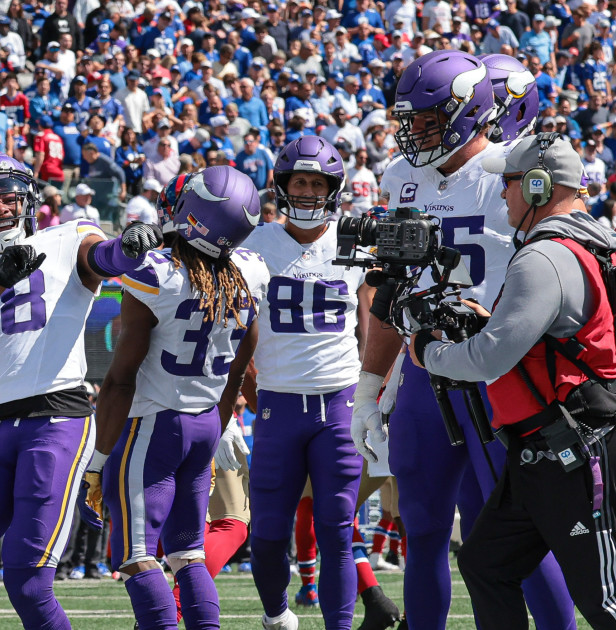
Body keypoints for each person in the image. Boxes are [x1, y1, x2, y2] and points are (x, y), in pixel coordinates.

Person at [354, 50, 577, 630]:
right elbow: (386, 284)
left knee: (520, 536)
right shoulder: (399, 176)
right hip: (426, 374)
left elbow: (565, 263)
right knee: (422, 526)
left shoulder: (520, 165)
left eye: (429, 118)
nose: (415, 131)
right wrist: (370, 380)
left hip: (503, 373)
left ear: (470, 110)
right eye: (411, 119)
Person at [0, 153, 162, 629]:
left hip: (56, 420)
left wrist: (128, 246)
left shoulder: (66, 235)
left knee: (27, 579)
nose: (3, 210)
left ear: (27, 200)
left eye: (9, 198)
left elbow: (103, 256)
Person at [414, 134, 616, 629]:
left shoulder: (543, 257)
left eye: (508, 183)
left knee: (605, 602)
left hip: (571, 448)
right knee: (485, 564)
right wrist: (490, 323)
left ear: (539, 185)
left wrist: (428, 352)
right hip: (542, 448)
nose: (503, 194)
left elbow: (487, 361)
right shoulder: (579, 241)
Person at [86, 165, 267, 630]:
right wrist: (218, 425)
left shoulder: (156, 276)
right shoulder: (248, 272)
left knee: (136, 557)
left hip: (154, 427)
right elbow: (242, 367)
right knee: (188, 551)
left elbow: (120, 380)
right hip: (205, 421)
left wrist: (97, 459)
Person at [238, 136, 395, 630]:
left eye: (317, 183)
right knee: (264, 534)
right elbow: (238, 326)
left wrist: (376, 387)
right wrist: (245, 386)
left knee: (335, 529)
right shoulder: (255, 243)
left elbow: (370, 321)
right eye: (299, 181)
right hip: (278, 402)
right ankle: (276, 614)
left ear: (334, 189)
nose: (307, 191)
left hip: (340, 399)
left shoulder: (353, 243)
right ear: (283, 186)